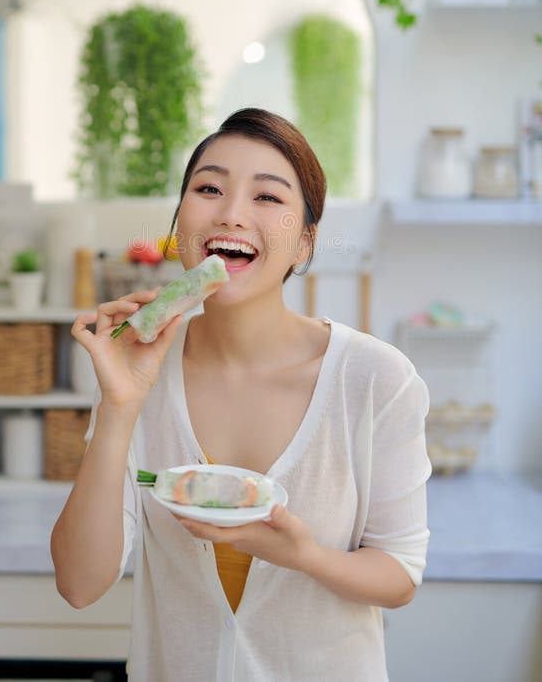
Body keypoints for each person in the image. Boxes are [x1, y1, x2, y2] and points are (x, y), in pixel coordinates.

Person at [51, 107, 431, 681]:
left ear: (305, 243)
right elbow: (80, 585)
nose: (231, 213)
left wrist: (300, 555)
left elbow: (399, 575)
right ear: (179, 224)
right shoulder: (138, 373)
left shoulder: (377, 379)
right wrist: (120, 408)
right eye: (209, 188)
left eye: (268, 197)